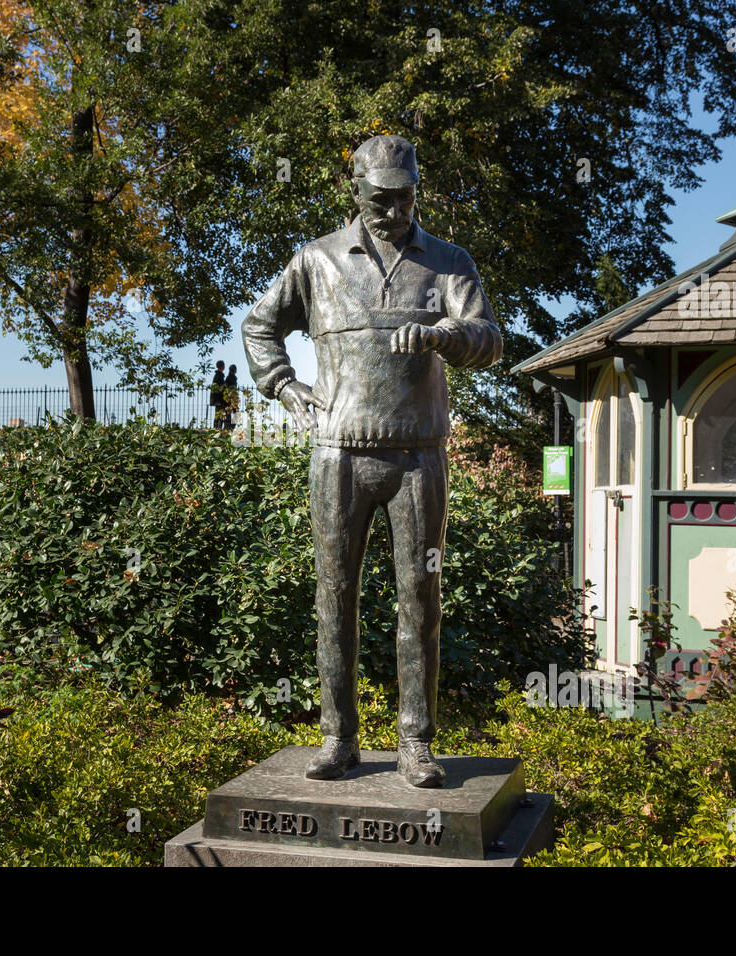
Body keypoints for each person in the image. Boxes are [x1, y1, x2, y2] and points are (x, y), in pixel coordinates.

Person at [242, 134, 503, 787]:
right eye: (381, 200)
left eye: (406, 199)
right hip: (337, 454)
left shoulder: (447, 262)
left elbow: (490, 339)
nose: (395, 212)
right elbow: (259, 325)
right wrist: (283, 384)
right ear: (355, 193)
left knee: (421, 596)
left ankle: (416, 741)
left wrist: (448, 334)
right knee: (336, 597)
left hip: (418, 455)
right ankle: (339, 738)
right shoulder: (318, 261)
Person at [219, 364, 240, 431]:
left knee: (231, 414)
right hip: (232, 399)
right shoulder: (232, 378)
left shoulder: (229, 378)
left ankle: (228, 428)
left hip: (229, 399)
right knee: (236, 414)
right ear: (235, 370)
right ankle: (230, 428)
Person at [209, 361, 226, 428]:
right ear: (223, 366)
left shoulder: (217, 375)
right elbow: (220, 388)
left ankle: (216, 428)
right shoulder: (219, 376)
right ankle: (217, 428)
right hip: (219, 399)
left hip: (217, 399)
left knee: (218, 415)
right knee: (220, 415)